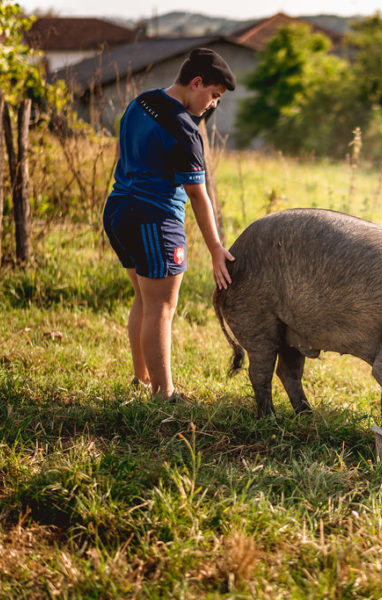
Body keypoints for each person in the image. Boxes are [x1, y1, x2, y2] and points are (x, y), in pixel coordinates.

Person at [103, 48, 236, 399]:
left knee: (144, 300)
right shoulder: (184, 131)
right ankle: (164, 394)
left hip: (118, 210)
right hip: (154, 219)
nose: (213, 104)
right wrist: (216, 248)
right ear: (196, 83)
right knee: (161, 308)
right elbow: (198, 196)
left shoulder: (140, 102)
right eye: (214, 95)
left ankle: (143, 379)